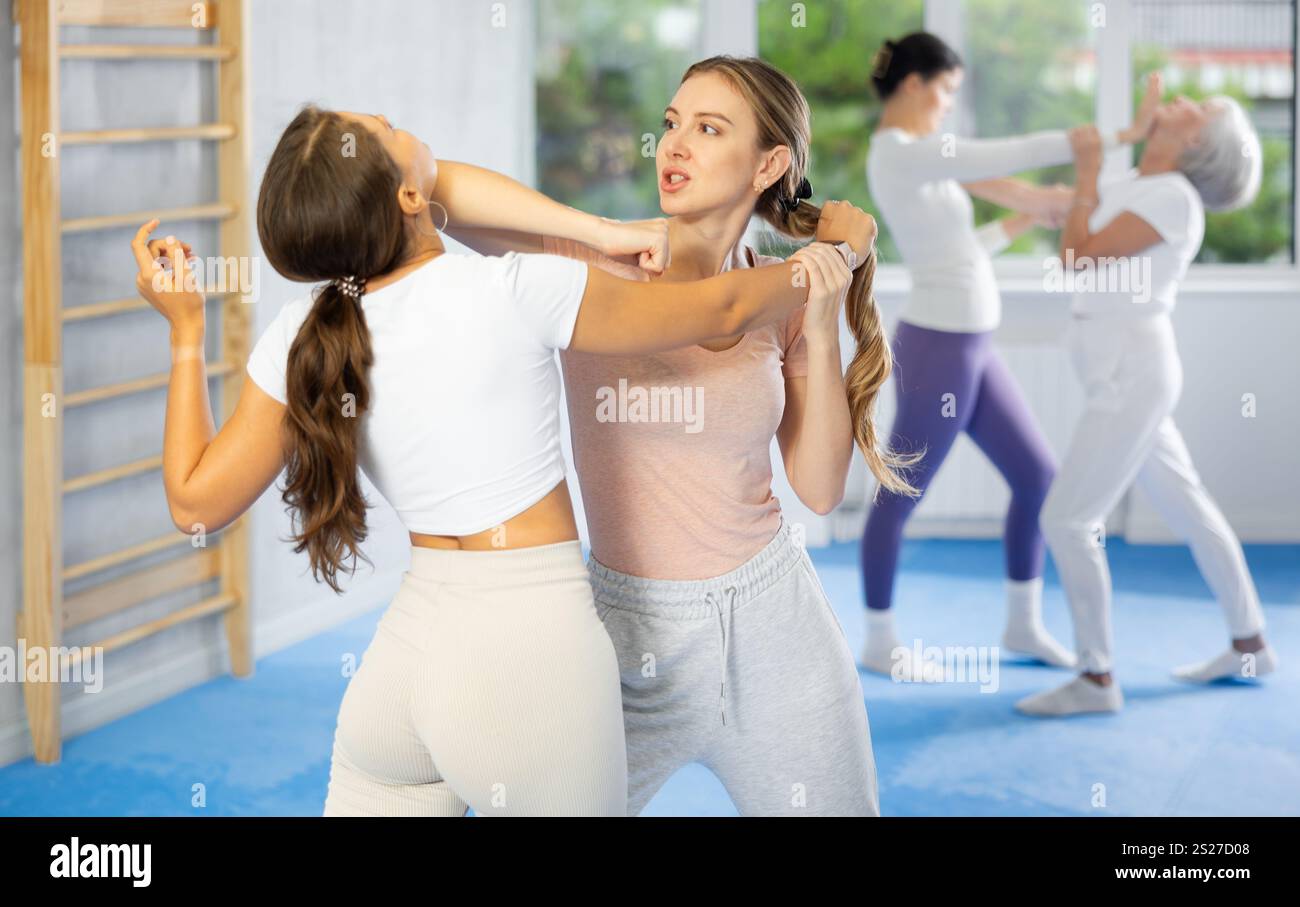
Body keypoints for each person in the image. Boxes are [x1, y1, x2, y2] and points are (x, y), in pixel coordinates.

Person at [128, 105, 862, 814]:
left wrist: (187, 333)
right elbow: (726, 308)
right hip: (528, 664)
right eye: (385, 127)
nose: (395, 119)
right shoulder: (518, 289)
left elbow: (194, 503)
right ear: (409, 196)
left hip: (401, 670)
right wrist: (840, 256)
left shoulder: (307, 331)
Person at [450, 56, 896, 816]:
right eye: (670, 124)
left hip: (774, 630)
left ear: (770, 164)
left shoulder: (783, 292)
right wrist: (590, 227)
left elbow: (819, 489)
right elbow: (432, 198)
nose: (675, 146)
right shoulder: (589, 263)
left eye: (709, 128)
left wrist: (820, 324)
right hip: (625, 636)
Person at [860, 32, 1157, 680]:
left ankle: (1023, 624)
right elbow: (1002, 153)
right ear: (914, 85)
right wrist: (1095, 139)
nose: (946, 106)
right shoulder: (899, 154)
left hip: (971, 349)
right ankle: (879, 639)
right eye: (945, 91)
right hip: (939, 347)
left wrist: (1027, 217)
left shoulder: (920, 164)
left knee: (1037, 479)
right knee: (899, 493)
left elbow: (962, 251)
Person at [1017, 81, 1279, 716]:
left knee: (1067, 520)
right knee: (1189, 508)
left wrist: (1086, 171)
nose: (1186, 99)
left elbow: (1077, 254)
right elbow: (1054, 207)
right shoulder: (1139, 180)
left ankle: (1097, 678)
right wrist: (949, 172)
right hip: (1123, 370)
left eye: (1200, 108)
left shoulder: (1173, 198)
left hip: (1132, 374)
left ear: (1195, 140)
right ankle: (1251, 644)